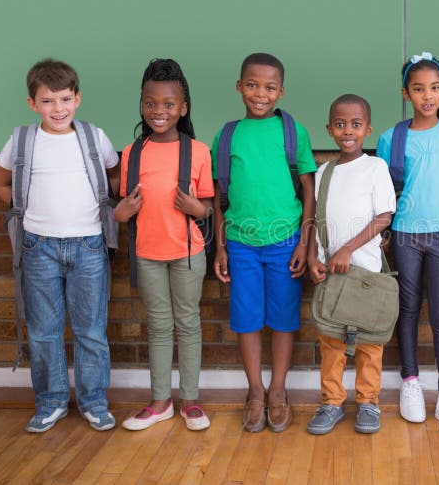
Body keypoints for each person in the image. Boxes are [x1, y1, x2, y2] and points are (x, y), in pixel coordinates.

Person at [0, 59, 118, 432]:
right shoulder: (22, 140)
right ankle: (50, 401)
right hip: (38, 247)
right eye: (48, 101)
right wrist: (25, 210)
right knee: (44, 330)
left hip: (89, 246)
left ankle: (94, 401)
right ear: (33, 104)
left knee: (91, 329)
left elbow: (111, 177)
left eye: (65, 99)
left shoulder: (94, 137)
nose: (58, 109)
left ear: (78, 99)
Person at [212, 53, 316, 433]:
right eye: (252, 85)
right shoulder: (226, 135)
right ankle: (255, 390)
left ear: (281, 91)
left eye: (269, 87)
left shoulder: (294, 133)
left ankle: (277, 391)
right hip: (240, 244)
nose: (260, 93)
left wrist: (305, 242)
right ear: (239, 87)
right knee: (246, 320)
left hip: (285, 242)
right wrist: (221, 247)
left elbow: (308, 189)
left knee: (285, 319)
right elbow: (219, 196)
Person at [376, 52, 439, 436]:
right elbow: (384, 191)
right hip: (404, 235)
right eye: (418, 89)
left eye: (434, 88)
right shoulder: (391, 138)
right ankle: (410, 383)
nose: (427, 96)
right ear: (405, 93)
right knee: (408, 311)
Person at [116, 59, 214, 432]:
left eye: (169, 104)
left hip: (188, 254)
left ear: (183, 107)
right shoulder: (133, 153)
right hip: (148, 254)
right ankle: (160, 401)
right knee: (158, 326)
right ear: (142, 105)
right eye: (151, 103)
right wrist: (121, 213)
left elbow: (207, 206)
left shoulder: (198, 151)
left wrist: (197, 208)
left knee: (188, 323)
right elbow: (126, 206)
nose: (159, 111)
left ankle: (189, 400)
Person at [306, 94, 396, 435]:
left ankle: (368, 402)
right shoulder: (323, 172)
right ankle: (331, 402)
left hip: (366, 273)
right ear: (329, 129)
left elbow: (384, 216)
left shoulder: (375, 167)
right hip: (332, 273)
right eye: (340, 124)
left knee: (369, 344)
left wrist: (347, 249)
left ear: (367, 129)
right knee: (331, 340)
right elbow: (316, 219)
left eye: (356, 125)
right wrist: (316, 255)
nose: (348, 131)